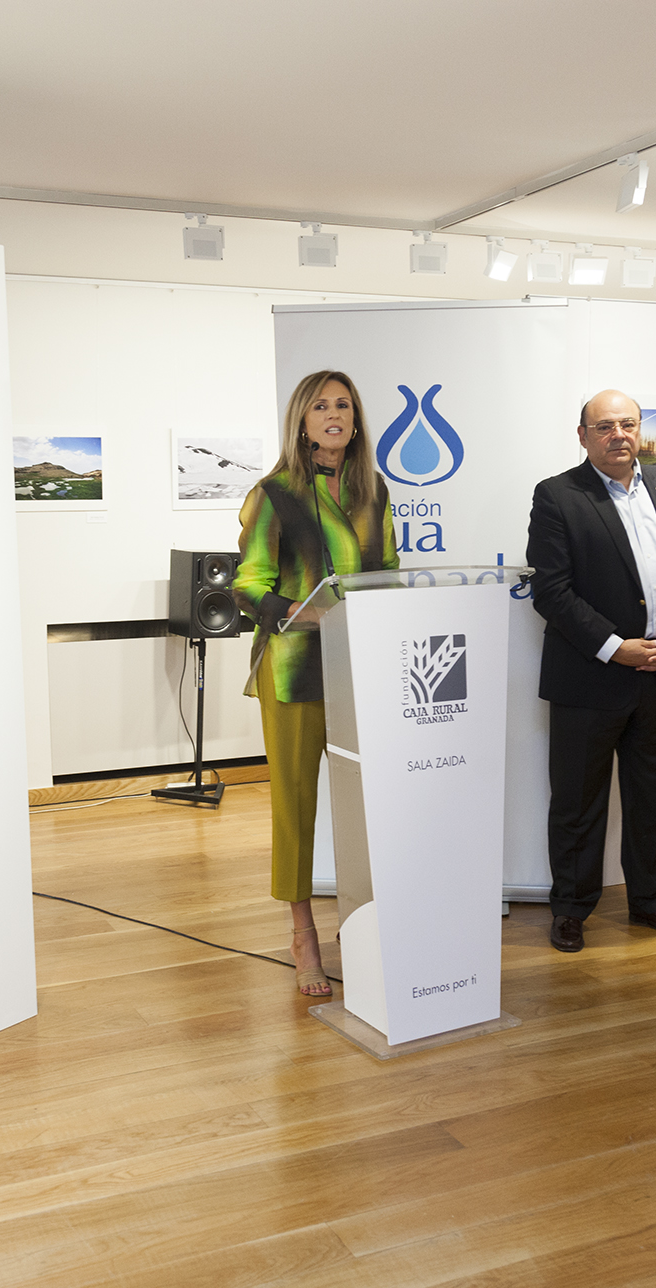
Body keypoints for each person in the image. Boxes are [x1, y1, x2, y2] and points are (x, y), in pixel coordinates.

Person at [526, 390, 656, 953]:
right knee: (578, 803)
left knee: (650, 798)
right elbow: (551, 590)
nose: (618, 435)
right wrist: (614, 647)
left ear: (640, 431)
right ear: (582, 435)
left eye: (627, 424)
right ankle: (571, 908)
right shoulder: (558, 495)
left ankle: (650, 899)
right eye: (604, 426)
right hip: (590, 678)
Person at [233, 370, 399, 997]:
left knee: (365, 807)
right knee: (296, 806)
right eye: (322, 406)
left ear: (356, 421)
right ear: (301, 420)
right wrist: (311, 613)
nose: (334, 415)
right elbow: (247, 584)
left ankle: (365, 925)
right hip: (294, 669)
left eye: (345, 406)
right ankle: (303, 934)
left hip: (361, 668)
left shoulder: (373, 491)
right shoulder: (273, 494)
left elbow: (388, 572)